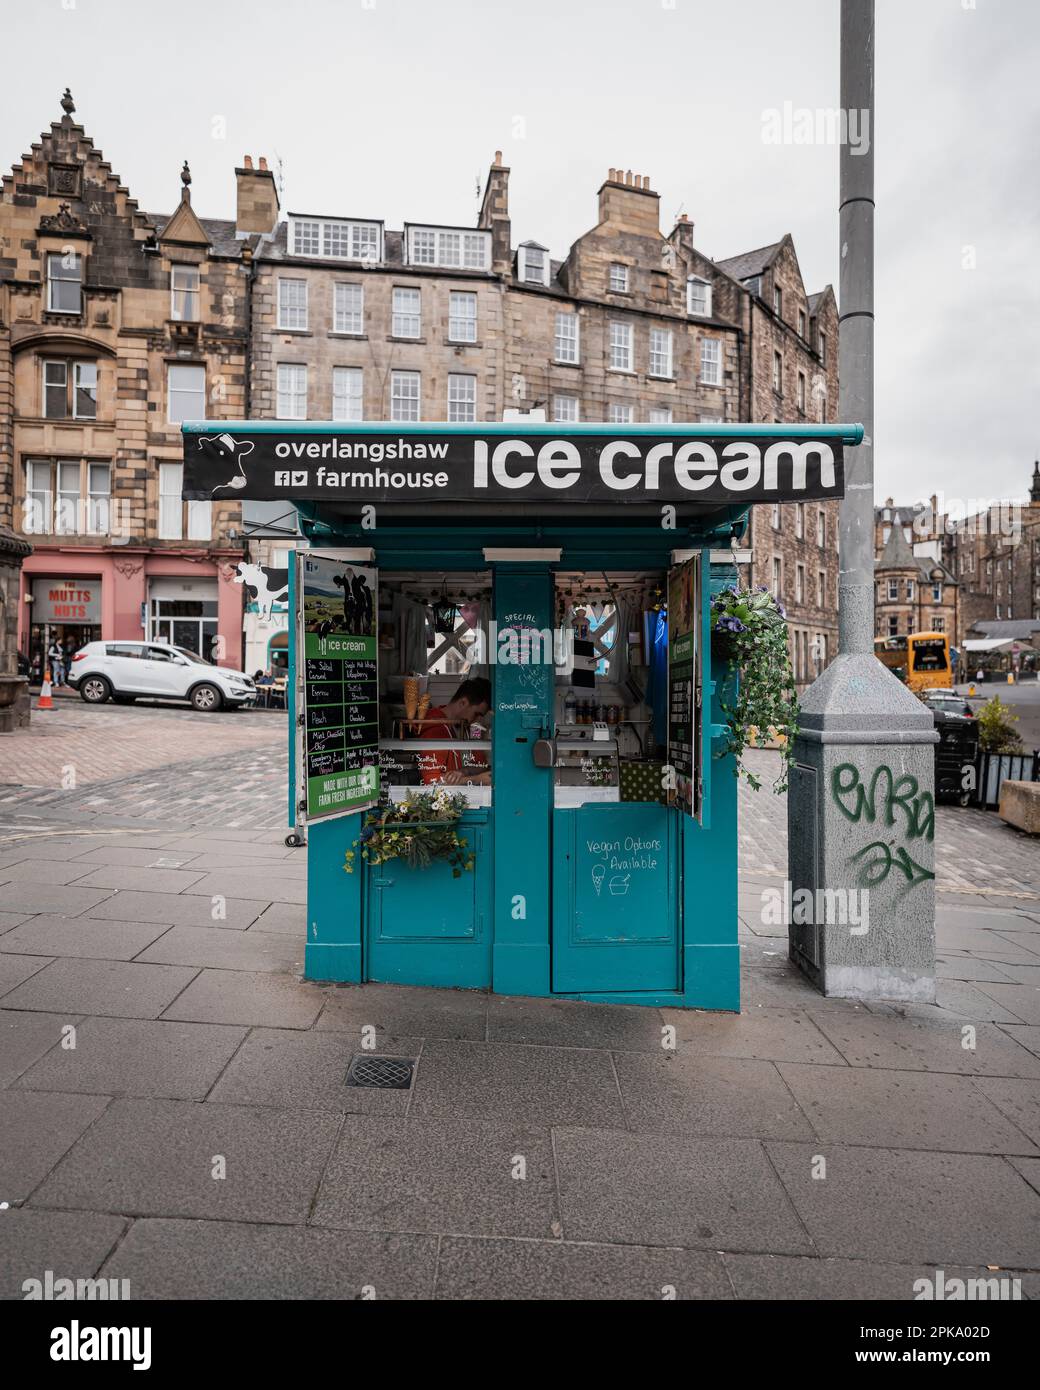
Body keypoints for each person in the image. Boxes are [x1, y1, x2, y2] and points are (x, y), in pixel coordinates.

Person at [419, 676, 492, 786]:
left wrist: (463, 771)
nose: (477, 720)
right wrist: (476, 780)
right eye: (476, 714)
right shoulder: (436, 729)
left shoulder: (467, 727)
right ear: (463, 702)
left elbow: (480, 764)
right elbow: (431, 781)